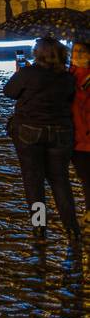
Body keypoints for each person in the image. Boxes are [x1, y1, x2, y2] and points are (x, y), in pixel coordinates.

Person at [3, 37, 81, 244]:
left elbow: (9, 91)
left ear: (38, 53)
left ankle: (39, 226)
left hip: (29, 131)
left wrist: (21, 75)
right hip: (60, 132)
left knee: (33, 181)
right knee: (60, 181)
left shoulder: (28, 73)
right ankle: (72, 228)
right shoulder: (67, 77)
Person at [69, 40, 90, 226]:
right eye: (75, 51)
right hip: (76, 136)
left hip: (86, 134)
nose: (77, 54)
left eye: (82, 51)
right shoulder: (70, 73)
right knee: (85, 177)